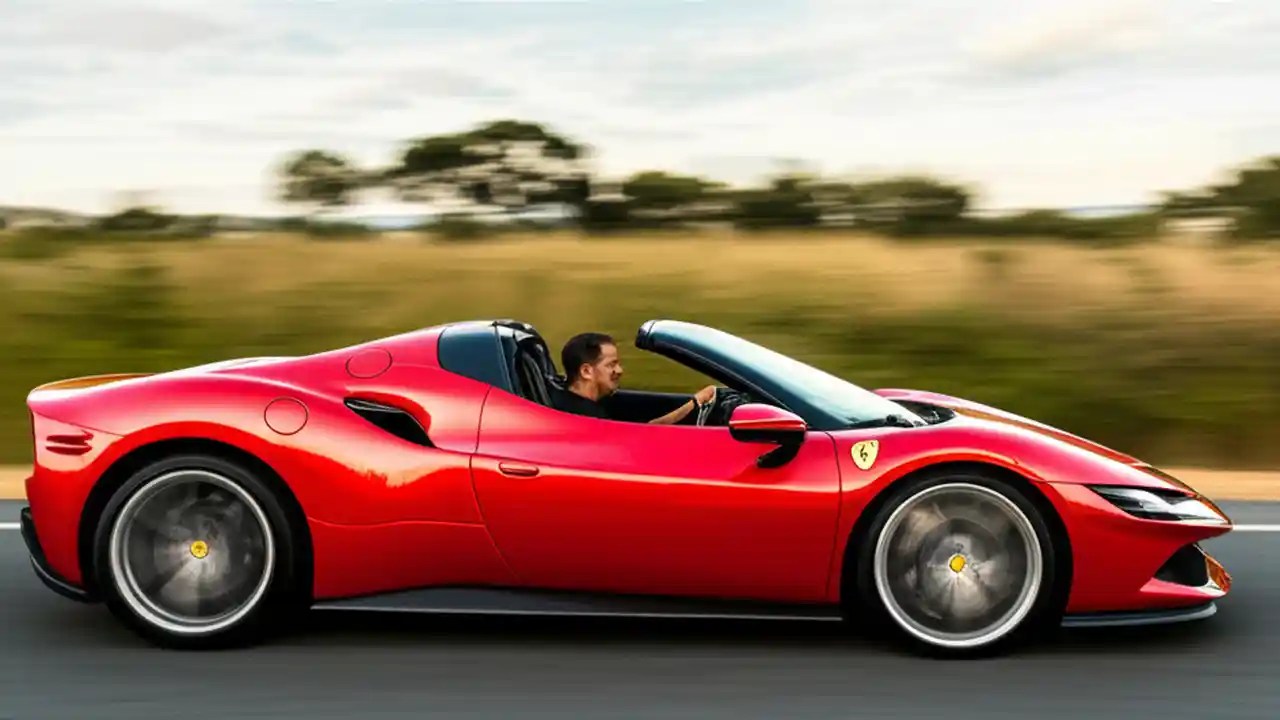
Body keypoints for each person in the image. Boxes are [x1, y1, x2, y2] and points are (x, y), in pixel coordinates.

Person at [554, 331, 716, 424]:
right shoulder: (587, 419)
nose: (619, 370)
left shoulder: (569, 401)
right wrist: (694, 404)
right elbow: (643, 434)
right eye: (611, 364)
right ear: (586, 371)